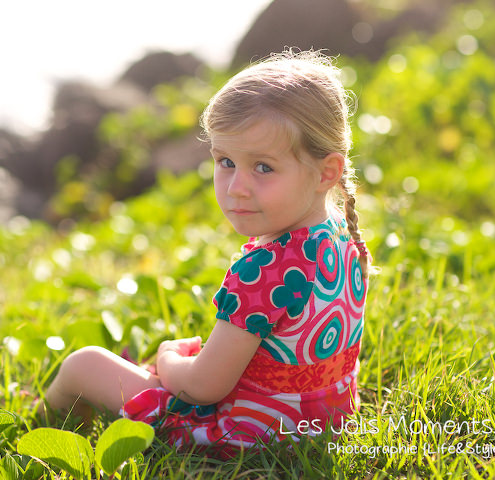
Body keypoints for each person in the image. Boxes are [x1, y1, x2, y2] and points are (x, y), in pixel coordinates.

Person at [44, 49, 372, 452]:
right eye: (226, 161)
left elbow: (203, 387)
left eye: (264, 167)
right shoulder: (341, 236)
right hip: (322, 420)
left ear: (326, 172)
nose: (236, 187)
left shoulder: (266, 268)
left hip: (249, 435)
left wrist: (169, 362)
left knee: (84, 365)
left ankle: (42, 433)